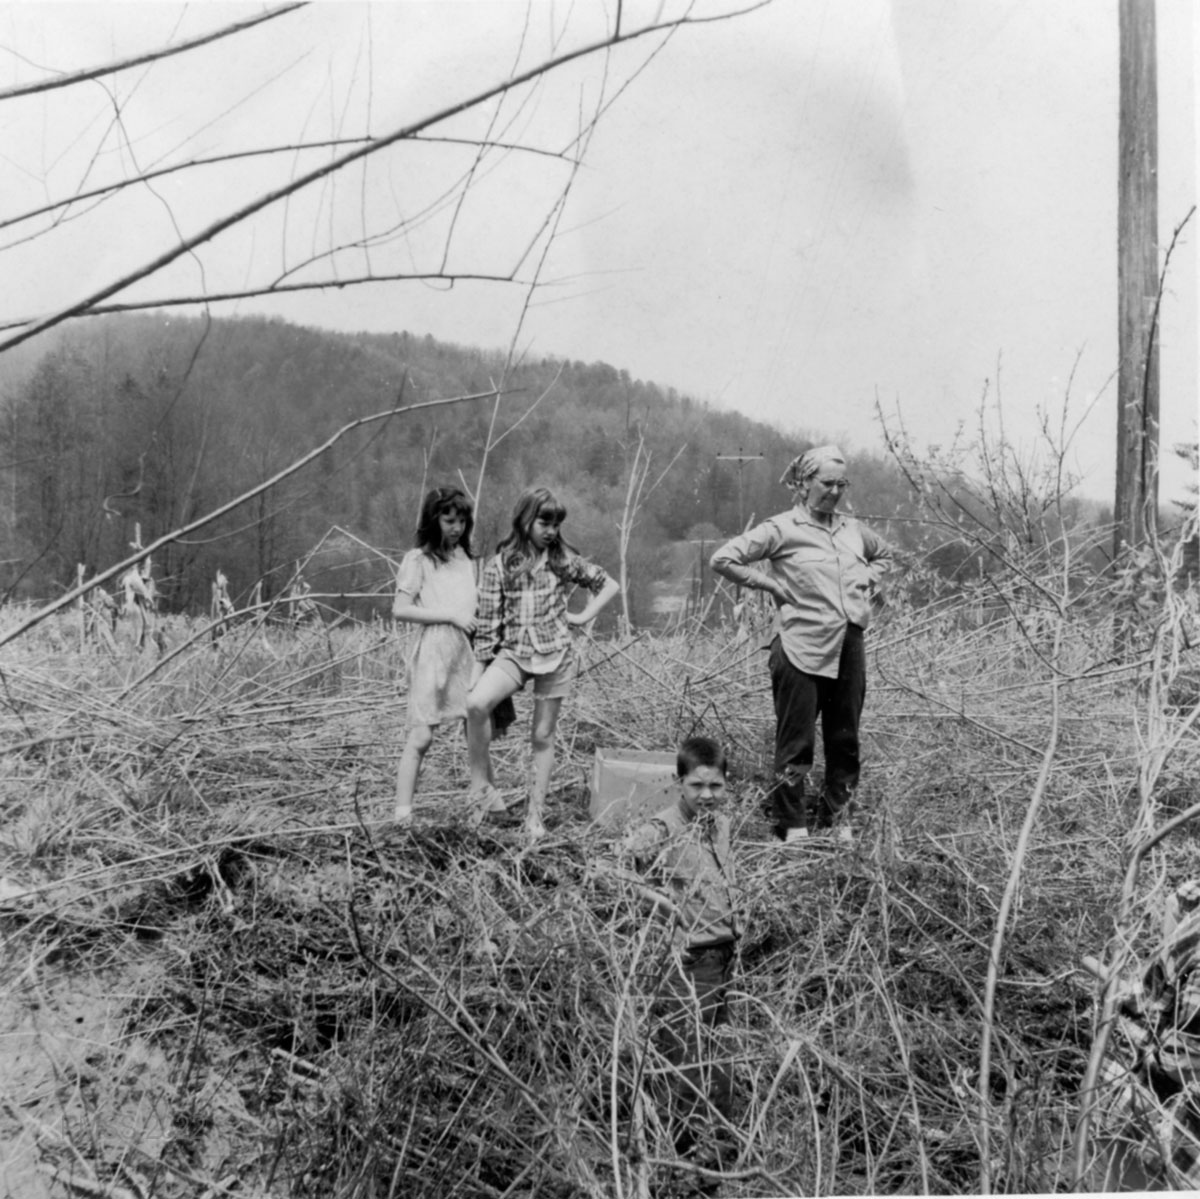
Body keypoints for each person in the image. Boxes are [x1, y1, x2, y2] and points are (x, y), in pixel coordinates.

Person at [710, 445, 892, 843]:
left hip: (849, 642)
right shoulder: (781, 529)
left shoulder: (853, 530)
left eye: (841, 484)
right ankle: (792, 825)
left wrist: (869, 577)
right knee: (797, 741)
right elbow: (724, 559)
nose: (835, 492)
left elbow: (885, 556)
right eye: (827, 483)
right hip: (799, 646)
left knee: (845, 738)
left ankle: (837, 819)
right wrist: (770, 584)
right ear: (804, 483)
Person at [609, 735, 740, 1161]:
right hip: (690, 962)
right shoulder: (663, 829)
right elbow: (607, 867)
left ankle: (717, 1150)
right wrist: (659, 901)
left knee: (720, 1055)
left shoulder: (719, 823)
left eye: (716, 786)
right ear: (678, 782)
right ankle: (679, 1156)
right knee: (686, 1059)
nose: (707, 795)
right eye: (697, 786)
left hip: (725, 959)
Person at [465, 485, 620, 839]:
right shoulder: (501, 564)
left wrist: (581, 617)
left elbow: (608, 584)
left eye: (555, 524)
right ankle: (480, 790)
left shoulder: (562, 559)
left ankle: (535, 817)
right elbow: (488, 622)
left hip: (556, 654)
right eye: (543, 522)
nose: (550, 530)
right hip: (515, 653)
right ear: (525, 520)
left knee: (542, 736)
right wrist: (477, 670)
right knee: (475, 704)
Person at [391, 486, 478, 824]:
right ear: (434, 519)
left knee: (477, 730)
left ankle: (482, 802)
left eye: (461, 520)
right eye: (448, 519)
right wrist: (449, 615)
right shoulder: (419, 560)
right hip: (433, 652)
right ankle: (402, 814)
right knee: (422, 735)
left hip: (467, 653)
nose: (455, 527)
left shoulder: (467, 560)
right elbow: (400, 609)